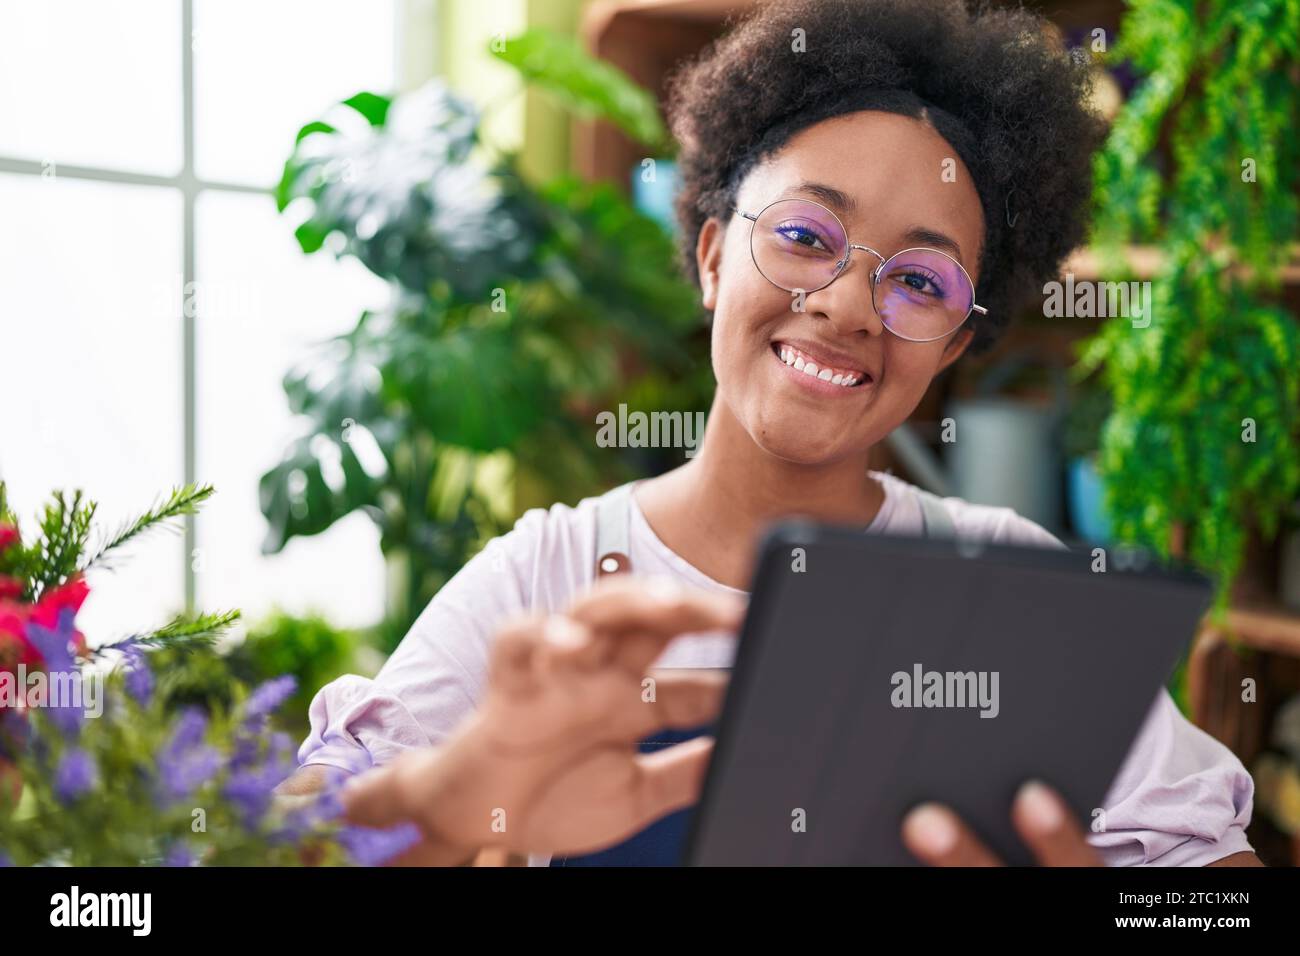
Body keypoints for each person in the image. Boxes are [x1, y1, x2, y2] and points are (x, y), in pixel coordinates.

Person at [283, 0, 1260, 866]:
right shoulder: (551, 580)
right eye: (802, 235)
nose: (845, 305)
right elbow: (281, 839)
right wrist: (443, 805)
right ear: (712, 256)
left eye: (918, 281)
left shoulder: (1018, 596)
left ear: (955, 342)